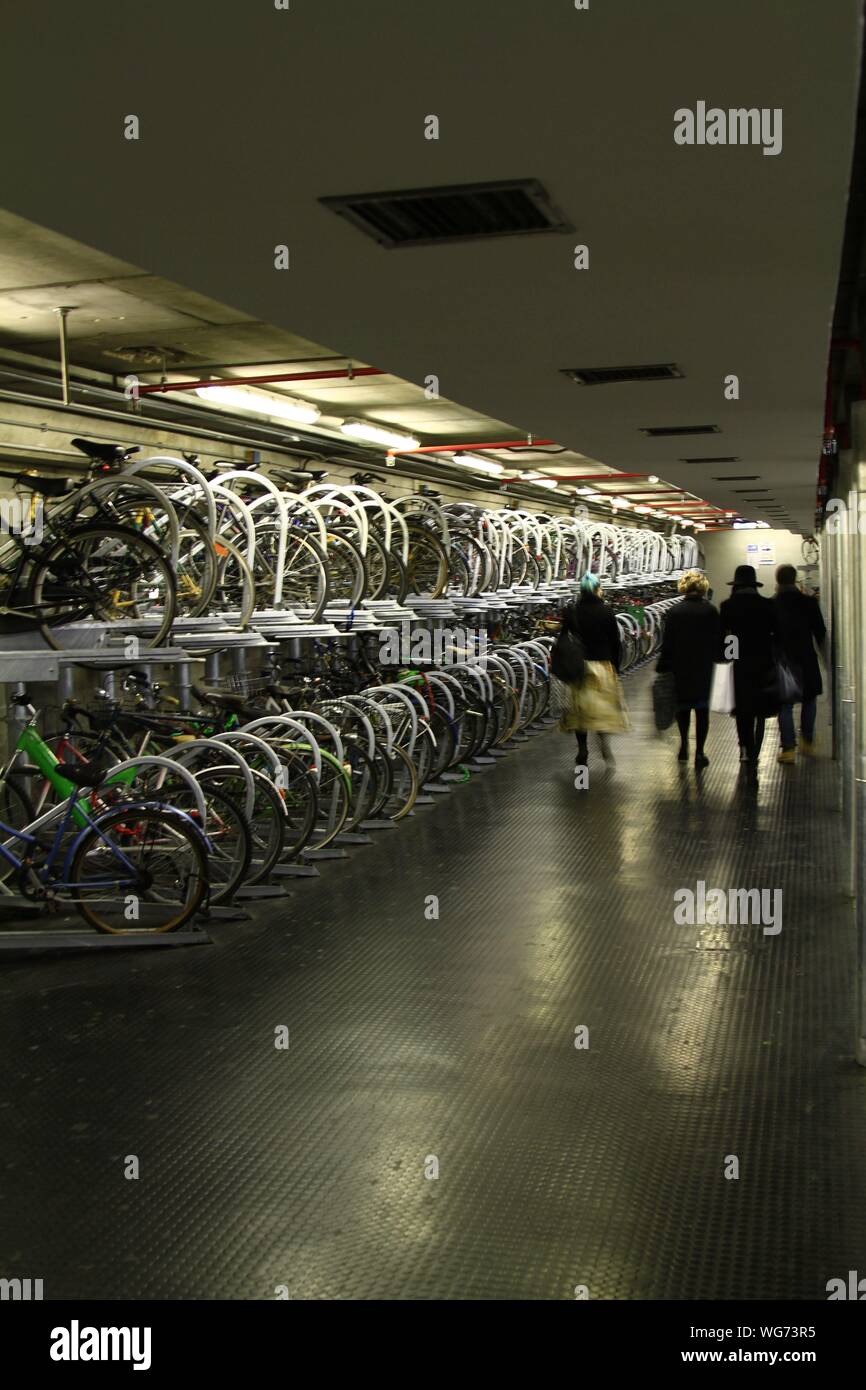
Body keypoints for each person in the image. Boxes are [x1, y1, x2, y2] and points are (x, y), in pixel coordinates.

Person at [557, 572, 630, 769]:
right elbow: (615, 642)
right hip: (602, 666)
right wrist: (616, 666)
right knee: (602, 710)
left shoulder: (572, 610)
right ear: (597, 589)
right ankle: (604, 744)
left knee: (580, 712)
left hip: (579, 667)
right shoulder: (606, 611)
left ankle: (582, 748)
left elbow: (564, 637)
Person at [656, 570, 721, 768]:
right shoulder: (710, 611)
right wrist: (723, 657)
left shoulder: (675, 611)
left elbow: (667, 642)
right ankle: (700, 752)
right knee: (702, 711)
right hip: (703, 667)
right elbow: (719, 639)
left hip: (680, 666)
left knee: (682, 708)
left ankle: (684, 744)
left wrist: (663, 664)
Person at [719, 564, 777, 769]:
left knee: (742, 709)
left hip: (740, 664)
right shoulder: (767, 605)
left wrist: (729, 657)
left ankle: (744, 746)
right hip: (763, 662)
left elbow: (727, 635)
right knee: (760, 709)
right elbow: (775, 634)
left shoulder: (727, 606)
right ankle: (756, 749)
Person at [772, 563, 826, 763]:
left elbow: (769, 635)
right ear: (795, 579)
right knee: (809, 700)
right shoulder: (808, 603)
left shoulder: (773, 604)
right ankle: (807, 742)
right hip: (806, 658)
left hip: (784, 660)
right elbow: (820, 631)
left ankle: (788, 750)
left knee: (785, 705)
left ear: (777, 580)